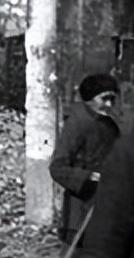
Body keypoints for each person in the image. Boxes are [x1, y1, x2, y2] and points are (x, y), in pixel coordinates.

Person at [49, 74, 121, 245]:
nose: (109, 104)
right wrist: (91, 177)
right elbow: (57, 168)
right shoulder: (77, 124)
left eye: (112, 99)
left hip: (107, 206)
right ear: (89, 98)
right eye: (104, 99)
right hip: (81, 210)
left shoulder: (109, 124)